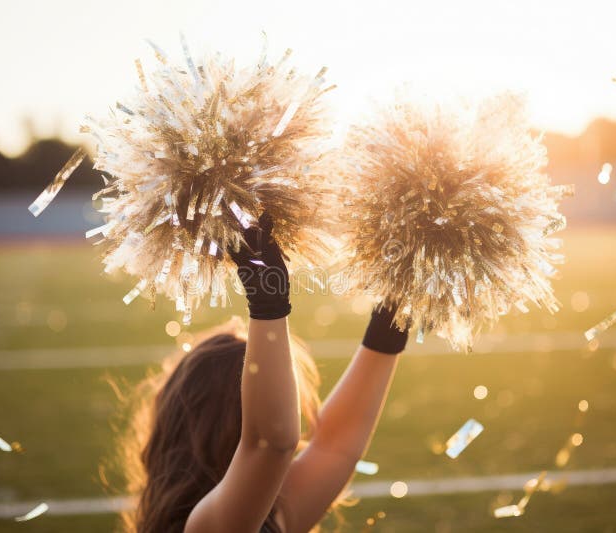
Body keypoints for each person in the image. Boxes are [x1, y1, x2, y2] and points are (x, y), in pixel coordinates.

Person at [115, 214, 409, 533]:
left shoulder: (276, 514)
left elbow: (335, 445)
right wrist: (266, 301)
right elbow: (270, 443)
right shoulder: (206, 527)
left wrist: (391, 318)